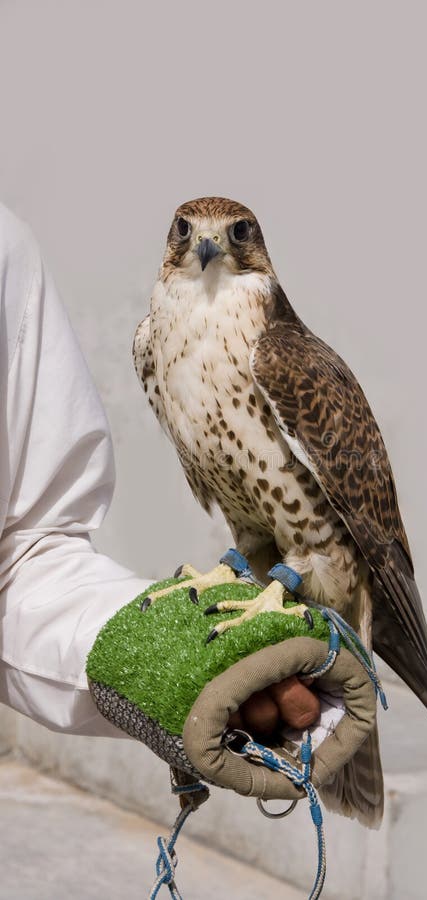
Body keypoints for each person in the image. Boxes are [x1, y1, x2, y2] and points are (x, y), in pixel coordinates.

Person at [0, 203, 318, 739]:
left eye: (235, 233)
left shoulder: (4, 248)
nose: (208, 245)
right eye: (188, 232)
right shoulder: (157, 343)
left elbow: (23, 555)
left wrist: (165, 653)